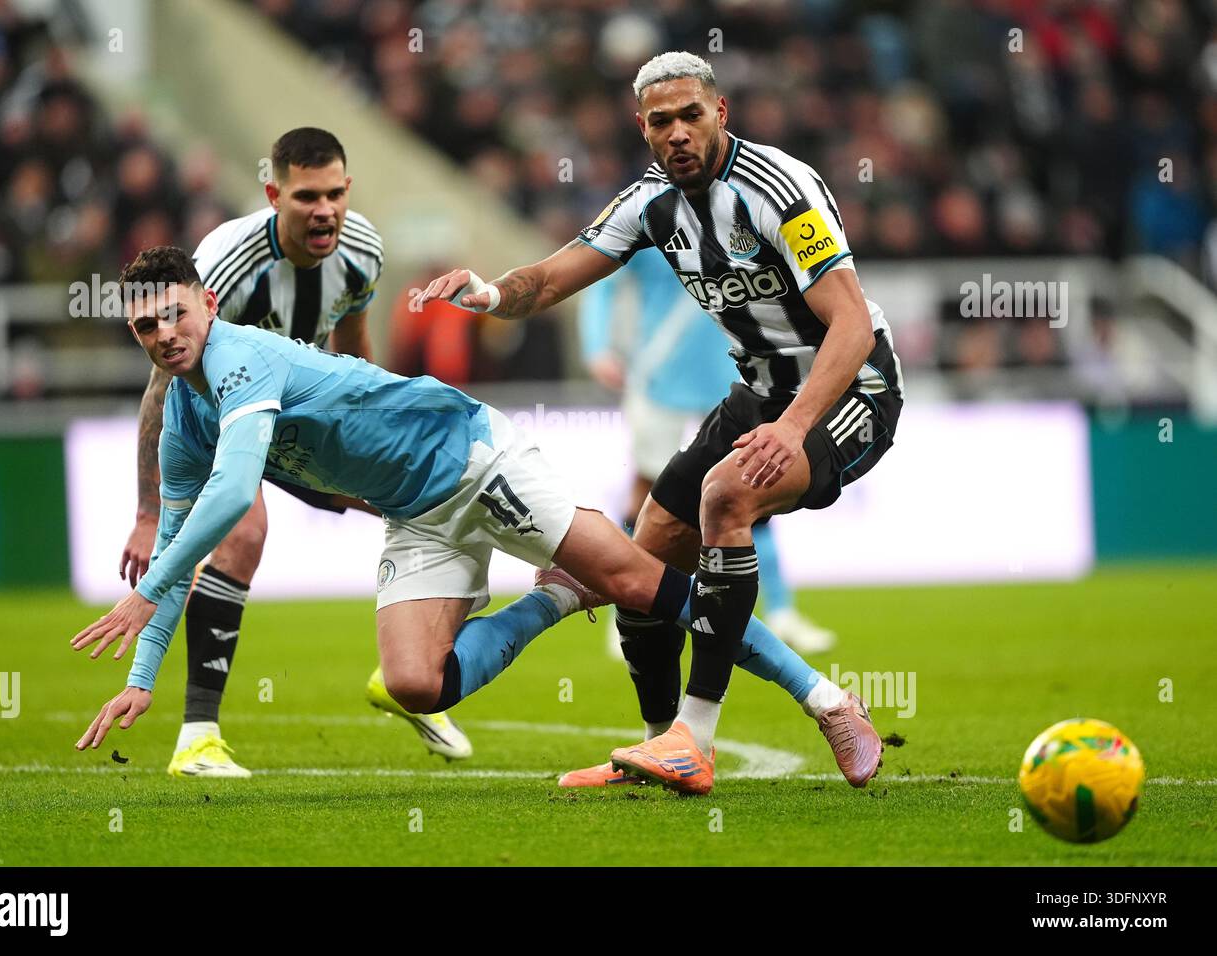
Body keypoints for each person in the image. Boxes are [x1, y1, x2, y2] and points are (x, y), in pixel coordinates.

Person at [71, 247, 877, 799]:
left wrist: (150, 593)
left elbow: (228, 495)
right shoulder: (183, 419)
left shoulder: (241, 359)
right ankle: (553, 600)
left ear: (206, 304)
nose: (165, 335)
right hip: (414, 513)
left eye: (174, 315)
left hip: (473, 460)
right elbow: (185, 537)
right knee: (415, 684)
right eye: (146, 327)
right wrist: (142, 677)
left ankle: (825, 701)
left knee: (636, 580)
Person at [413, 51, 902, 793]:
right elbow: (549, 277)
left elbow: (853, 326)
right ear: (642, 128)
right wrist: (487, 293)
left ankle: (696, 740)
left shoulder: (780, 188)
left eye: (691, 116)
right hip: (760, 393)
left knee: (725, 498)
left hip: (848, 393)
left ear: (721, 114)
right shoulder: (649, 203)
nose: (678, 133)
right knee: (638, 567)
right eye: (662, 121)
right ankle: (655, 748)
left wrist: (792, 427)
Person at [116, 127, 471, 777]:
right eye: (307, 196)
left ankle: (411, 675)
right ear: (274, 194)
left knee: (437, 504)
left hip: (304, 420)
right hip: (227, 421)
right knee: (242, 528)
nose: (325, 211)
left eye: (335, 194)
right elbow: (162, 385)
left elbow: (355, 339)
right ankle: (198, 737)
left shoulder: (361, 247)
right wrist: (147, 512)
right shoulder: (223, 263)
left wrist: (387, 435)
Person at [579, 245, 836, 657]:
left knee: (751, 484)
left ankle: (783, 611)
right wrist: (596, 347)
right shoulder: (653, 221)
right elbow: (602, 284)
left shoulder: (731, 217)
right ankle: (623, 610)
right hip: (658, 379)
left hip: (730, 377)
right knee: (648, 492)